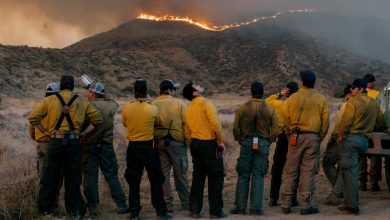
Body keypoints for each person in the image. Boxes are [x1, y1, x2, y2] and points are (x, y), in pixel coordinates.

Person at [28, 75, 103, 217]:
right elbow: (97, 118)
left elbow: (33, 118)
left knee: (49, 177)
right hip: (74, 143)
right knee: (73, 178)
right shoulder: (81, 100)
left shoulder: (49, 100)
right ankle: (75, 212)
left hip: (55, 142)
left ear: (61, 86)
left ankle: (45, 210)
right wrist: (83, 133)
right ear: (73, 86)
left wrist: (46, 132)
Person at [280, 70, 329, 215]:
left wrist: (290, 135)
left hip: (295, 137)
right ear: (314, 82)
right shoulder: (321, 99)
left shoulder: (292, 98)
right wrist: (319, 137)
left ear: (302, 82)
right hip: (313, 137)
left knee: (291, 170)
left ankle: (286, 204)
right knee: (308, 172)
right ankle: (305, 206)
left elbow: (284, 119)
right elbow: (325, 122)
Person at [122, 79, 171, 220]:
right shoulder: (153, 108)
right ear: (146, 91)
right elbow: (159, 123)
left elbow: (125, 124)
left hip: (133, 148)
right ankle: (161, 212)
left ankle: (134, 213)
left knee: (133, 181)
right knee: (156, 180)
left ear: (134, 91)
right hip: (150, 147)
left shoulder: (127, 108)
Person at [337, 78, 386, 215]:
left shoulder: (353, 102)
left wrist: (341, 136)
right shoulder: (374, 103)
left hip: (351, 139)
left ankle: (352, 205)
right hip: (364, 141)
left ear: (359, 88)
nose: (352, 90)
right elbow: (381, 121)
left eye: (354, 88)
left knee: (350, 173)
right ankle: (348, 202)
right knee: (350, 171)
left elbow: (345, 122)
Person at [230, 82, 278, 215]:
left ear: (251, 92)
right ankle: (255, 208)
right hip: (262, 143)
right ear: (263, 92)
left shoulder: (242, 108)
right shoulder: (270, 109)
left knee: (243, 175)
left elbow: (235, 128)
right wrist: (268, 141)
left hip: (246, 142)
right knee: (258, 175)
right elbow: (275, 130)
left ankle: (240, 207)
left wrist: (241, 139)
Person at [81, 82, 128, 216]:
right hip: (106, 146)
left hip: (89, 146)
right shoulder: (111, 105)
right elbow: (112, 100)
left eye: (89, 92)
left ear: (92, 93)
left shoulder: (88, 106)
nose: (87, 94)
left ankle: (93, 208)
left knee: (91, 177)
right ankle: (121, 204)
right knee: (112, 176)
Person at [182, 82, 227, 219]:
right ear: (195, 93)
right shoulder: (206, 103)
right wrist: (220, 142)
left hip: (195, 144)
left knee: (198, 178)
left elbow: (186, 130)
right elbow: (216, 124)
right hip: (209, 144)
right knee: (215, 178)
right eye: (196, 86)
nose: (199, 85)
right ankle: (215, 212)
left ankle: (194, 211)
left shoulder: (188, 108)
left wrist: (193, 141)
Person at [153, 79, 190, 212]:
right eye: (173, 89)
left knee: (164, 175)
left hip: (159, 143)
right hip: (177, 144)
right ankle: (186, 203)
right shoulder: (180, 104)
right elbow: (187, 124)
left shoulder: (153, 104)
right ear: (169, 90)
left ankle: (167, 205)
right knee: (181, 174)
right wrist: (187, 142)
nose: (175, 92)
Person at [265, 81, 299, 207]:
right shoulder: (298, 105)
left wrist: (279, 93)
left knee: (277, 167)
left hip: (282, 136)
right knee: (294, 168)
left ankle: (273, 197)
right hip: (295, 136)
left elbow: (267, 101)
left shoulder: (280, 104)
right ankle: (292, 198)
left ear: (287, 91)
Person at [322, 84, 352, 206]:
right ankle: (340, 192)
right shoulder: (359, 106)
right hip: (351, 140)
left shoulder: (346, 106)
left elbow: (339, 124)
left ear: (347, 95)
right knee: (342, 167)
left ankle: (337, 192)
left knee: (327, 163)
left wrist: (332, 137)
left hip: (339, 139)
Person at [28, 82, 60, 178]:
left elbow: (32, 124)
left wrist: (36, 137)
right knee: (56, 175)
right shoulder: (60, 107)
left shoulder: (39, 105)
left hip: (42, 144)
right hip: (56, 142)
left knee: (42, 176)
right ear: (58, 93)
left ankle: (42, 192)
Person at [358, 73, 382, 191]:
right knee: (375, 157)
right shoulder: (377, 95)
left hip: (361, 130)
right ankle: (374, 183)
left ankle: (362, 183)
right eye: (373, 81)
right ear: (371, 82)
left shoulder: (358, 95)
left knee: (362, 157)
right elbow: (381, 113)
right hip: (374, 130)